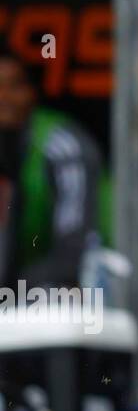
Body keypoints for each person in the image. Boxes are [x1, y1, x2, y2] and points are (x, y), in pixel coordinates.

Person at [0, 51, 107, 292]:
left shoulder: (62, 145)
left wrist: (10, 292)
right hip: (24, 288)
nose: (3, 97)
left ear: (31, 93)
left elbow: (72, 252)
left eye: (13, 86)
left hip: (102, 279)